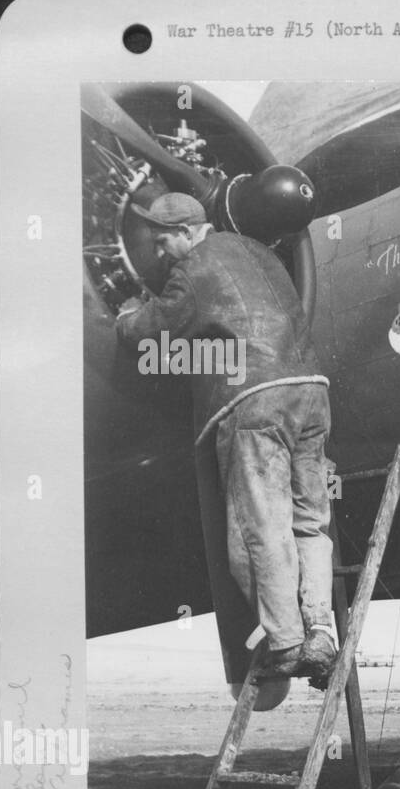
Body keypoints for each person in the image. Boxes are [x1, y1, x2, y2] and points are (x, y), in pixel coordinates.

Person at [115, 192, 336, 684]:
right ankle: (321, 628)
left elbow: (156, 329)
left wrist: (127, 316)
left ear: (191, 231)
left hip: (254, 399)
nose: (159, 251)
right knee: (310, 522)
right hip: (311, 391)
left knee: (257, 528)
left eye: (164, 239)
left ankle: (285, 640)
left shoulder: (191, 269)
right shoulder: (259, 250)